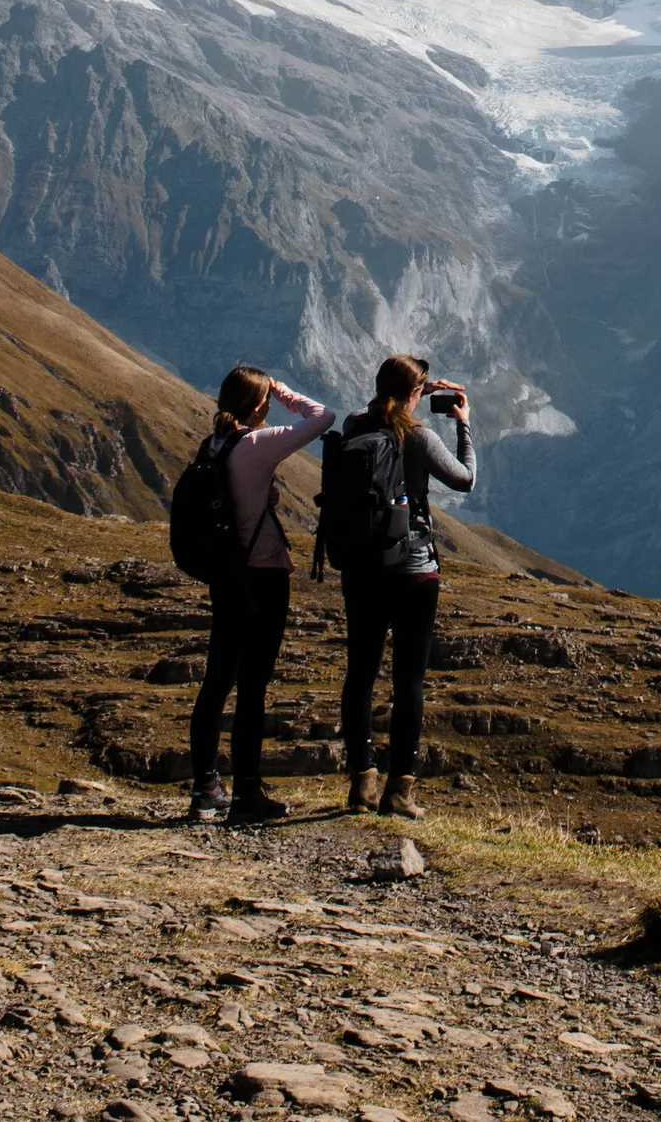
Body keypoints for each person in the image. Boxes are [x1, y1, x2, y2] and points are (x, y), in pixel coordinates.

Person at [187, 366, 335, 826]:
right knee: (252, 687)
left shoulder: (211, 445)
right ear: (257, 405)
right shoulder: (255, 443)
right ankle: (248, 793)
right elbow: (323, 417)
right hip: (262, 574)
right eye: (266, 400)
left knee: (216, 681)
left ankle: (206, 787)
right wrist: (286, 392)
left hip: (225, 574)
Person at [335, 353, 475, 818]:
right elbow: (465, 479)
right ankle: (400, 791)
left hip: (361, 569)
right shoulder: (420, 437)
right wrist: (463, 424)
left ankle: (361, 784)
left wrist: (416, 390)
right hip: (414, 570)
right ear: (417, 395)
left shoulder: (357, 425)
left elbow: (379, 407)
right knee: (408, 679)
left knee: (361, 673)